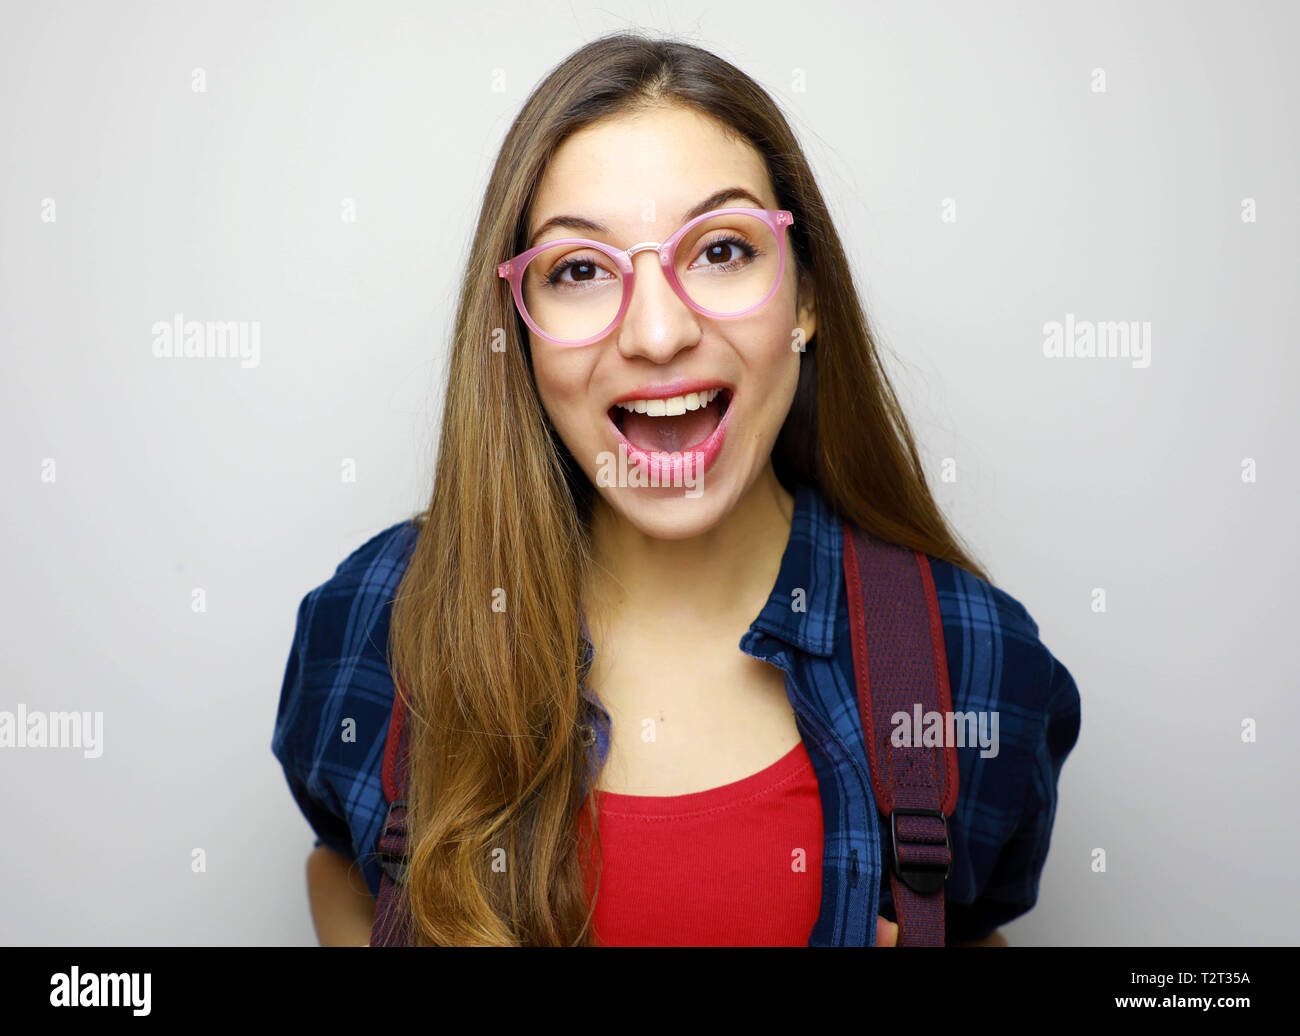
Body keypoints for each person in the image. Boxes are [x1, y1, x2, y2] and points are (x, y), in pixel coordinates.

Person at [272, 31, 1081, 947]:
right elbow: (339, 866)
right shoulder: (379, 621)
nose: (658, 333)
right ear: (519, 337)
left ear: (806, 296)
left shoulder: (970, 662)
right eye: (578, 270)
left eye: (722, 251)